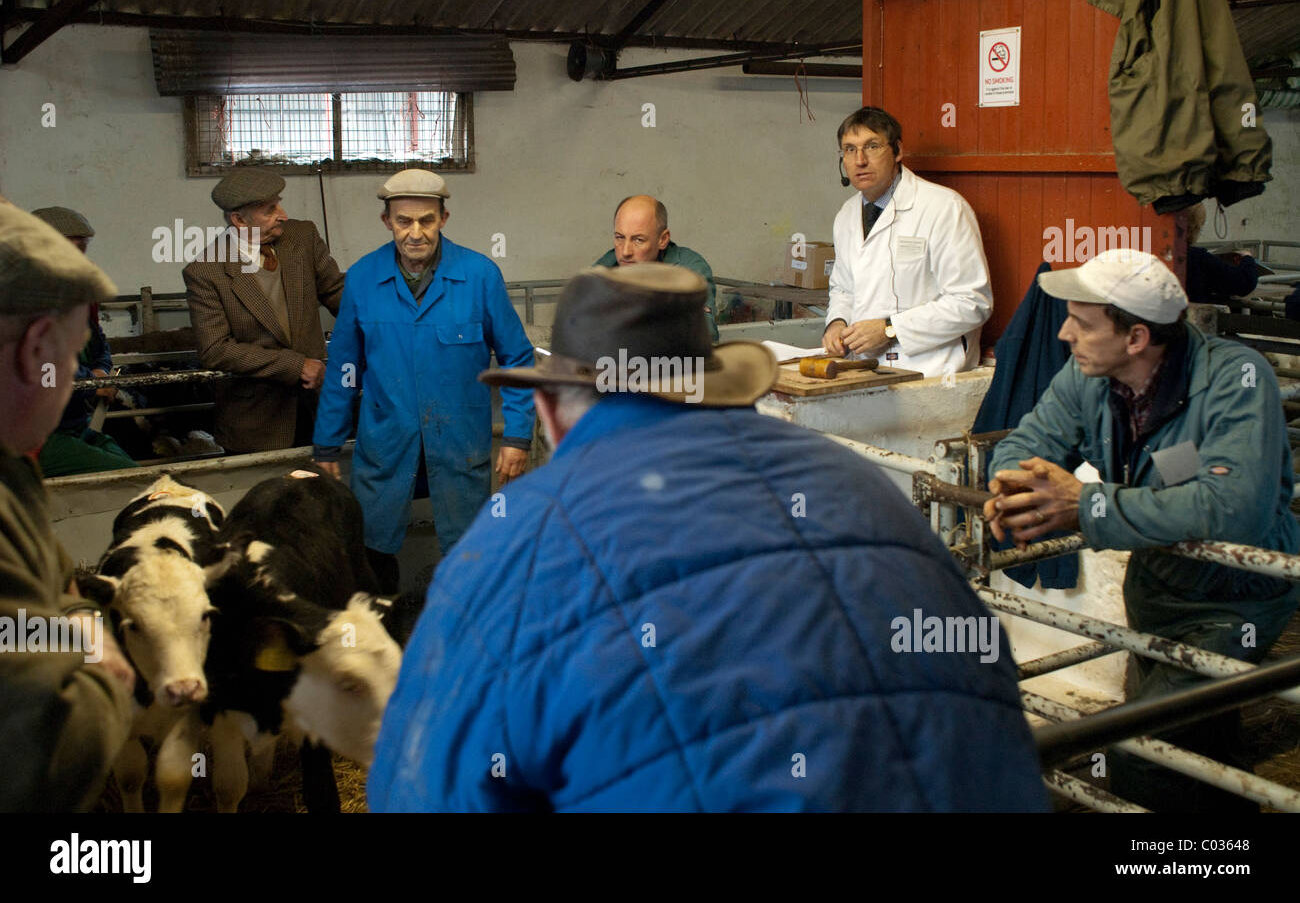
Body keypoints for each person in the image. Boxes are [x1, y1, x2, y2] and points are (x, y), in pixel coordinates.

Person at [368, 263, 1048, 812]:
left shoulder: (515, 541)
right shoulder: (859, 482)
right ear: (717, 386)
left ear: (548, 409)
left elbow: (422, 787)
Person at [982, 247, 1299, 812]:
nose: (1064, 335)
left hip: (1235, 598)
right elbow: (1025, 442)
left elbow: (1234, 511)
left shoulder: (1235, 379)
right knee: (1202, 744)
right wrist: (1016, 488)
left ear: (1134, 339)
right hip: (1155, 585)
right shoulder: (1089, 377)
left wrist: (1086, 507)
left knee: (1145, 750)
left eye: (1081, 322)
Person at [313, 170, 535, 589]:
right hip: (386, 445)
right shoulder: (362, 278)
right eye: (403, 221)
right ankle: (385, 639)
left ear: (444, 219)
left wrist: (517, 436)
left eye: (426, 221)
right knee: (373, 554)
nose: (416, 233)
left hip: (459, 444)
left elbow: (517, 359)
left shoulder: (479, 276)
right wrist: (326, 444)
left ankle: (462, 639)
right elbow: (344, 369)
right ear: (387, 222)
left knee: (468, 554)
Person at [0, 201, 136, 811]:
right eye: (71, 348)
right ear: (36, 351)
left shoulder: (14, 472)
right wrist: (97, 652)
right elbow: (48, 746)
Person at [183, 167, 345, 453]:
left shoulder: (302, 237)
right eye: (270, 209)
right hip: (256, 424)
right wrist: (295, 365)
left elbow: (336, 292)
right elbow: (215, 349)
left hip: (317, 409)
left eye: (279, 203)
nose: (282, 214)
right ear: (239, 220)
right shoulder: (206, 271)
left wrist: (386, 324)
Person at [822, 106, 992, 378]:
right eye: (850, 149)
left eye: (872, 146)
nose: (860, 159)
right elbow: (842, 288)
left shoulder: (944, 208)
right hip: (864, 368)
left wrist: (890, 329)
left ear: (897, 151)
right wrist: (836, 323)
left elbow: (972, 302)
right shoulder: (846, 215)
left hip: (932, 370)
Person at [27, 207, 137, 477]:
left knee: (135, 472)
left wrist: (102, 372)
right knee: (130, 480)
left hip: (75, 424)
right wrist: (91, 384)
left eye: (82, 247)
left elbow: (100, 344)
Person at [594, 195, 718, 341]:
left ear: (663, 239)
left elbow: (704, 334)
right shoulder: (606, 267)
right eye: (620, 237)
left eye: (638, 240)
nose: (625, 251)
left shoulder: (689, 270)